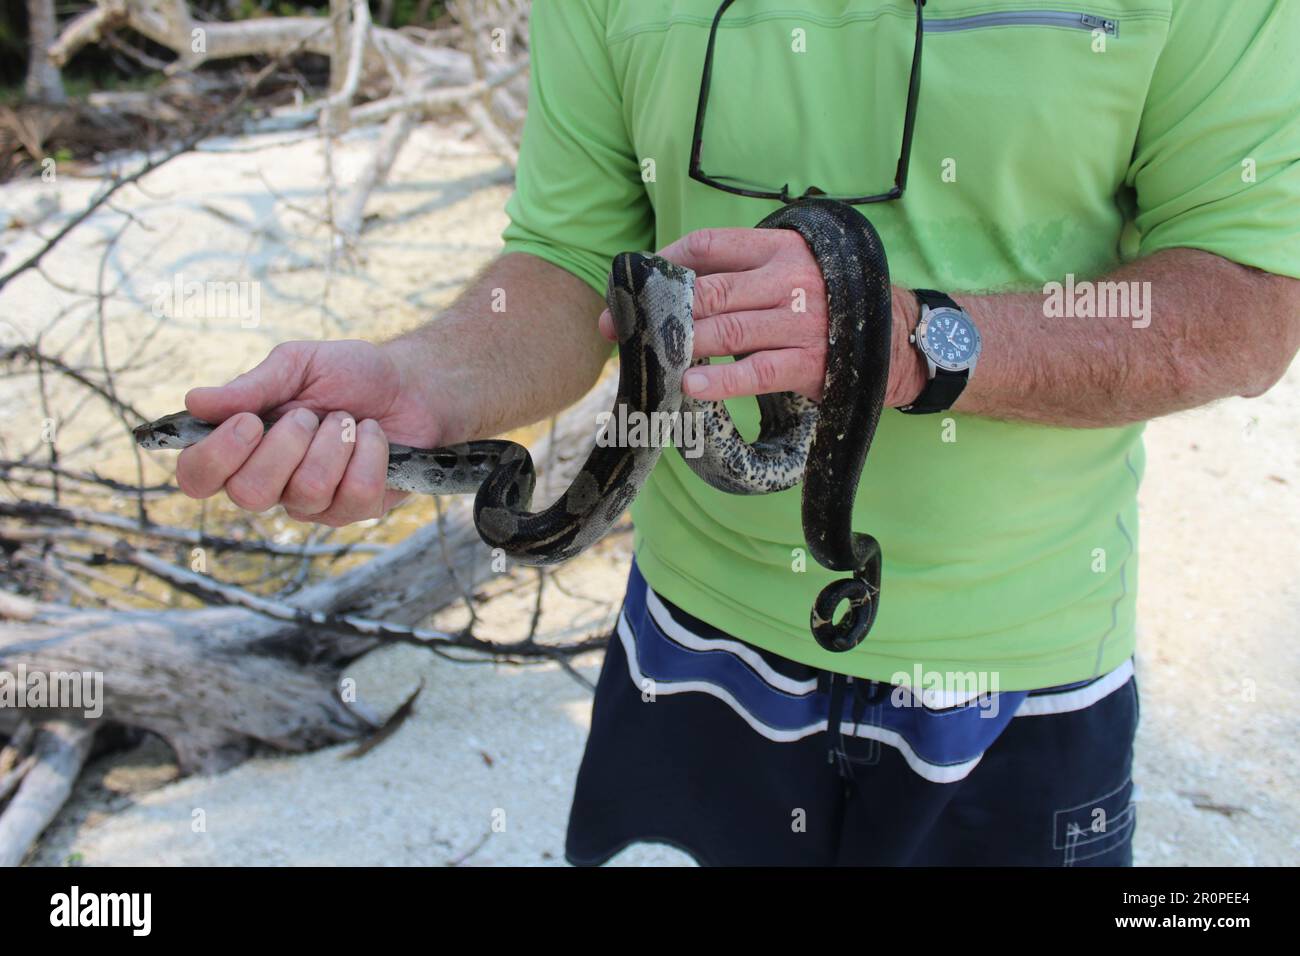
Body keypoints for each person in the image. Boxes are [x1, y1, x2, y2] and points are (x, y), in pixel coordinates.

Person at [175, 0, 1300, 865]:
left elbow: (1250, 300)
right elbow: (572, 264)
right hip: (688, 651)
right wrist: (422, 382)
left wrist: (906, 339)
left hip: (1021, 684)